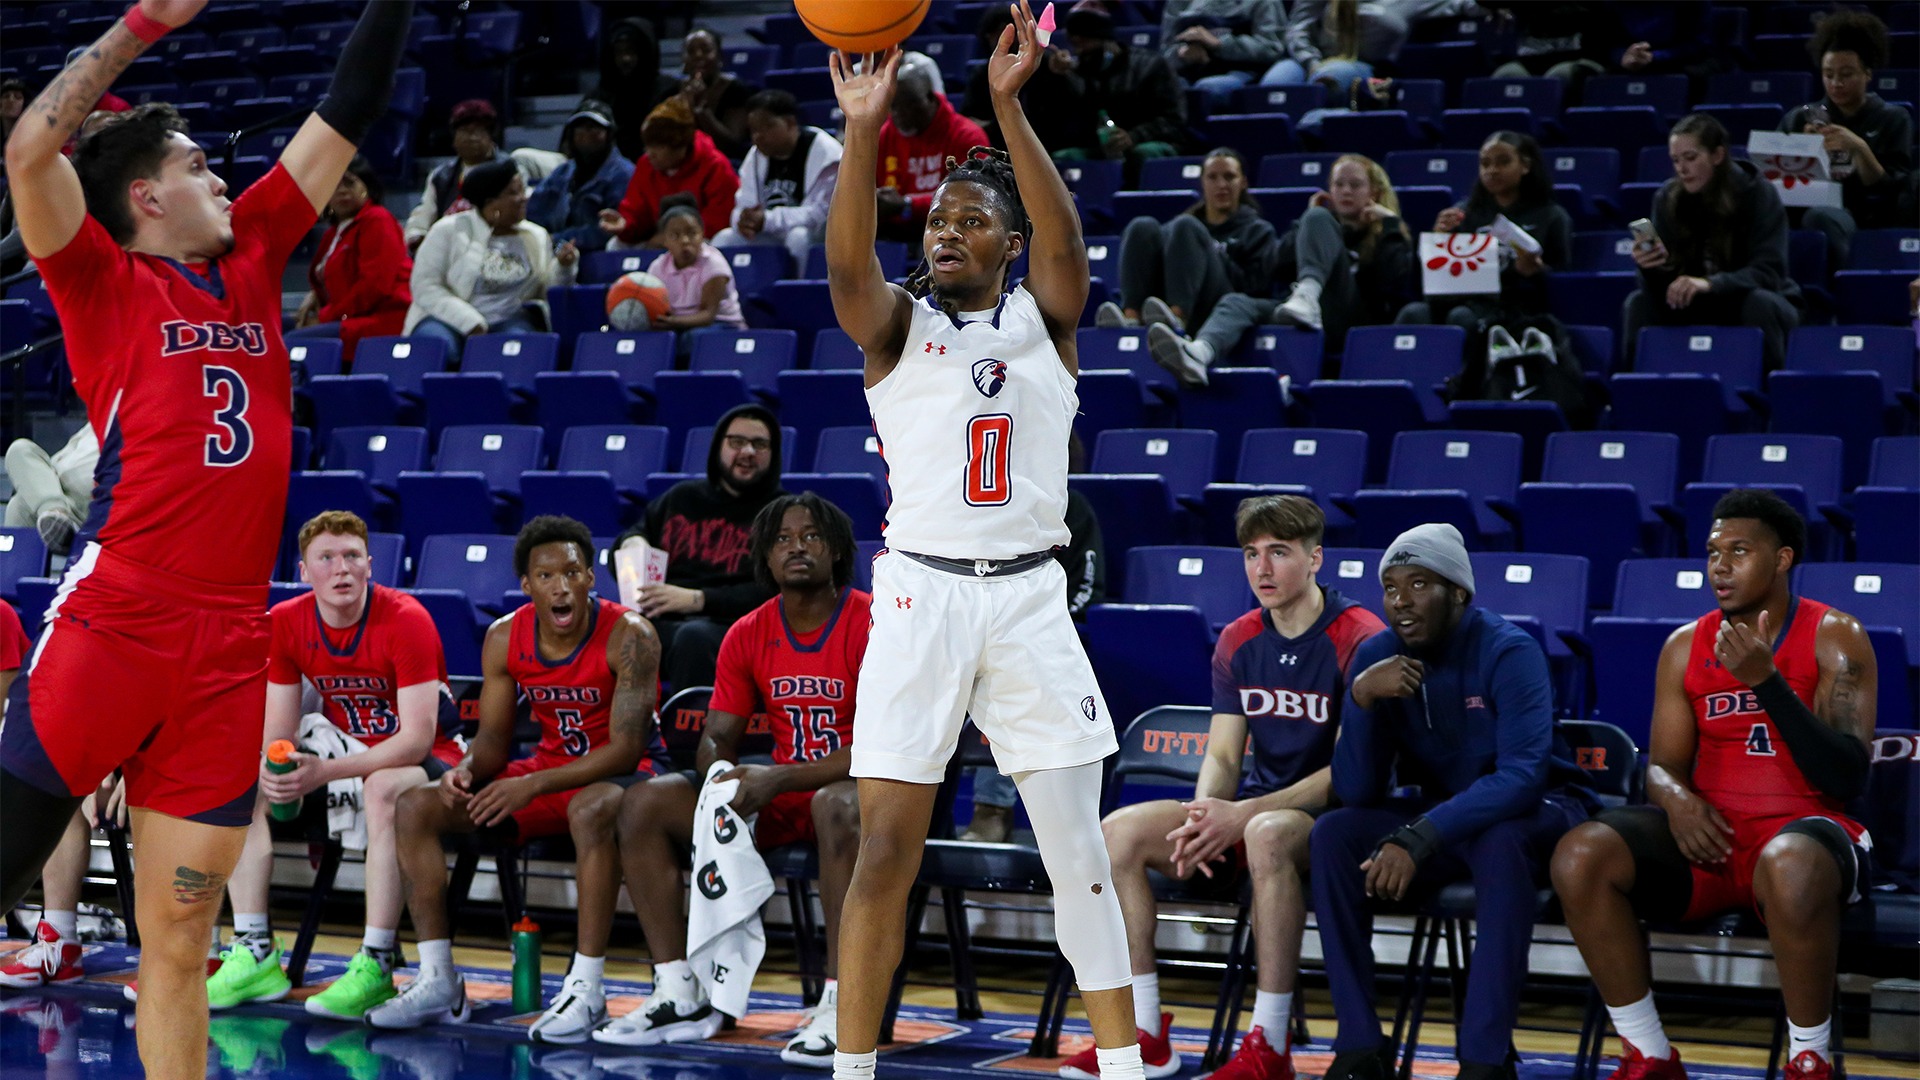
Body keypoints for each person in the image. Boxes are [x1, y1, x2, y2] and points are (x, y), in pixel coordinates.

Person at [0, 1, 412, 1076]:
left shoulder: (259, 245)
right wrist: (142, 23)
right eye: (198, 164)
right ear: (146, 195)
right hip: (117, 620)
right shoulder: (97, 280)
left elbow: (348, 103)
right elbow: (29, 148)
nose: (225, 177)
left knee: (181, 942)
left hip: (228, 649)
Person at [823, 6, 1148, 1078]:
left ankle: (1126, 1067)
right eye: (938, 222)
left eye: (971, 221)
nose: (947, 231)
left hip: (1027, 601)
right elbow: (845, 268)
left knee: (1080, 857)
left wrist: (1008, 107)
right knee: (884, 851)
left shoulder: (1043, 321)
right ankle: (853, 1069)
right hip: (921, 598)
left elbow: (1068, 244)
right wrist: (864, 130)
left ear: (1006, 246)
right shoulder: (894, 330)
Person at [1551, 490, 1876, 1080]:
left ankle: (1809, 1058)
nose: (1719, 566)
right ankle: (1648, 1053)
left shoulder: (1836, 635)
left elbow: (1847, 776)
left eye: (1739, 551)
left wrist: (1768, 684)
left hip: (1810, 838)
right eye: (1712, 552)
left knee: (1791, 864)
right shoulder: (1685, 646)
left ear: (1781, 559)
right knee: (1581, 854)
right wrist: (1677, 801)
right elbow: (1661, 765)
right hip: (1715, 841)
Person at [1063, 496, 1384, 1080]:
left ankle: (1270, 1043)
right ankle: (1144, 1030)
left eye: (1279, 553)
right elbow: (1222, 753)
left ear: (1316, 559)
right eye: (1251, 554)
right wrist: (1205, 813)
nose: (1262, 569)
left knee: (1263, 832)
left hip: (1337, 818)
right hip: (1255, 809)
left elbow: (1351, 772)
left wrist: (1241, 816)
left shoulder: (1361, 636)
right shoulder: (1238, 637)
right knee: (1120, 833)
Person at [590, 493, 869, 1066]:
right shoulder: (746, 631)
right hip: (789, 793)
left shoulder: (875, 620)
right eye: (783, 539)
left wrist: (777, 778)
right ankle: (678, 990)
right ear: (764, 558)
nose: (796, 547)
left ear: (839, 552)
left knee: (836, 805)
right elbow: (718, 735)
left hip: (867, 799)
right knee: (644, 804)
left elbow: (886, 750)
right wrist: (721, 774)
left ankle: (845, 1003)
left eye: (812, 537)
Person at [1309, 523, 1595, 1080]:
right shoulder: (1379, 655)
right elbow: (1360, 791)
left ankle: (1485, 1059)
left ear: (1458, 592)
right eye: (1390, 588)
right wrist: (1362, 699)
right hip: (1449, 818)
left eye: (1418, 584)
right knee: (1334, 834)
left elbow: (1523, 776)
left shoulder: (1509, 651)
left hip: (1539, 814)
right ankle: (1360, 1046)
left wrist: (1418, 836)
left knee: (1499, 839)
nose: (1400, 602)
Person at [367, 516, 668, 1030]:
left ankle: (587, 986)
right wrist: (463, 772)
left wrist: (530, 783)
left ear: (591, 578)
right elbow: (492, 744)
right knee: (416, 804)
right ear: (527, 586)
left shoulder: (631, 634)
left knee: (588, 806)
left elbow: (625, 750)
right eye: (546, 577)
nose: (561, 587)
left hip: (632, 776)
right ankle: (439, 979)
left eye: (572, 573)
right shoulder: (505, 638)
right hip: (552, 771)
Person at [185, 512, 468, 1019]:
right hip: (344, 747)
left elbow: (417, 739)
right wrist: (278, 768)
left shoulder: (406, 618)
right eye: (328, 558)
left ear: (370, 565)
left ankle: (376, 963)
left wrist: (322, 773)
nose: (342, 569)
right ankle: (253, 952)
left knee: (383, 787)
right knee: (236, 780)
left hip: (434, 755)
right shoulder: (287, 621)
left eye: (353, 557)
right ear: (304, 570)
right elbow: (279, 732)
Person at [1150, 153, 1411, 386]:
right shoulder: (1319, 222)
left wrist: (1389, 224)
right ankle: (1200, 353)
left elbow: (1394, 286)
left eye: (1355, 185)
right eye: (1338, 184)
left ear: (1374, 193)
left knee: (1319, 220)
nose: (1345, 191)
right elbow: (1276, 267)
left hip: (1350, 322)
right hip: (1301, 313)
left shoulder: (1387, 234)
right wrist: (1305, 222)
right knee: (1236, 302)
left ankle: (1307, 295)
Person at [963, 470, 1107, 844]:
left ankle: (991, 806)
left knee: (1014, 669)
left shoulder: (1070, 505)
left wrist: (1038, 626)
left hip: (1045, 635)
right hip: (972, 630)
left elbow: (1087, 590)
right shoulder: (971, 504)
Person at [625, 404, 786, 692]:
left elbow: (776, 589)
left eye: (759, 444)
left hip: (734, 627)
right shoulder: (681, 498)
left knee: (694, 638)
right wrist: (631, 544)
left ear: (773, 454)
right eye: (737, 441)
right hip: (665, 620)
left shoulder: (783, 512)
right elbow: (634, 537)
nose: (748, 452)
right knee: (618, 630)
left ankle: (691, 734)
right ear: (718, 447)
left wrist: (698, 599)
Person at [1624, 114, 1801, 372]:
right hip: (1698, 301)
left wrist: (1711, 283)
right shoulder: (1667, 198)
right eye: (1676, 160)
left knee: (1758, 303)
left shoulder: (1758, 193)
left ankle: (1771, 397)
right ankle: (1636, 391)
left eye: (1691, 158)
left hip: (1750, 299)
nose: (1681, 169)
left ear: (1717, 156)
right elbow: (1665, 287)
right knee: (1637, 303)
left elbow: (1769, 272)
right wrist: (1649, 268)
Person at [1394, 130, 1573, 365]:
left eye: (1503, 162)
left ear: (1525, 166)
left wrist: (1537, 272)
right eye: (1485, 164)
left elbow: (1564, 279)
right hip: (1459, 299)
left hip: (1513, 305)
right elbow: (1432, 276)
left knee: (1462, 317)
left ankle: (1460, 388)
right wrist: (1437, 239)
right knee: (1413, 313)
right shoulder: (1464, 212)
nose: (1492, 170)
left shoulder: (1551, 216)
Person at [1778, 10, 1913, 270]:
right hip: (1803, 209)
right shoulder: (1800, 118)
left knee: (1821, 217)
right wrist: (1802, 152)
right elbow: (1774, 180)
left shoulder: (1893, 118)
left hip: (1864, 214)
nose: (1836, 83)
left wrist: (1859, 147)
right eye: (1828, 74)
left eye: (1847, 74)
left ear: (1868, 74)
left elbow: (1893, 190)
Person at [404, 160, 578, 361]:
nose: (524, 198)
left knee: (516, 350)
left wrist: (564, 267)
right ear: (490, 203)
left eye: (523, 190)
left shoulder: (536, 236)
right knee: (436, 348)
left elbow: (548, 290)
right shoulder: (448, 230)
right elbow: (425, 286)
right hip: (447, 318)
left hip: (509, 319)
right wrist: (471, 322)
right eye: (514, 193)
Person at [1097, 147, 1277, 335]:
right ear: (1202, 182)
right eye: (1212, 177)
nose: (1221, 184)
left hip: (1220, 307)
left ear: (1243, 183)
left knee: (1186, 226)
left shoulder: (1258, 230)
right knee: (1142, 226)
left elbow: (1255, 290)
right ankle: (1132, 318)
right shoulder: (1182, 223)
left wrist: (1209, 253)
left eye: (1229, 177)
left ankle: (1177, 318)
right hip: (1163, 300)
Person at [286, 155, 411, 364]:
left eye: (349, 183)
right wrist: (315, 296)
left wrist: (326, 316)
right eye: (334, 186)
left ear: (367, 187)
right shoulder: (333, 233)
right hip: (348, 317)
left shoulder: (377, 220)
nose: (342, 190)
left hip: (381, 320)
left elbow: (375, 287)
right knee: (268, 330)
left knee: (291, 342)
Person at [1047, 4, 1187, 175]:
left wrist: (1134, 136)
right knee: (1064, 157)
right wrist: (1058, 79)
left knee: (1142, 153)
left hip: (1149, 142)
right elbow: (1058, 123)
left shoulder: (1151, 66)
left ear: (1107, 42)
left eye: (1086, 46)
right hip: (1100, 147)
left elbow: (1174, 119)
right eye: (1075, 46)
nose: (1080, 52)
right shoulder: (1076, 73)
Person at [714, 89, 844, 268]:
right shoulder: (755, 156)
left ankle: (796, 290)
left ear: (790, 123)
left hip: (818, 236)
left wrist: (766, 220)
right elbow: (744, 205)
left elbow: (820, 215)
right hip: (770, 233)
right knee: (724, 239)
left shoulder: (826, 152)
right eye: (753, 130)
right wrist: (743, 220)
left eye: (766, 127)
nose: (757, 136)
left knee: (798, 236)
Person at [872, 61, 991, 243]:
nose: (900, 115)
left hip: (952, 234)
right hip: (893, 234)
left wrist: (908, 205)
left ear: (930, 98)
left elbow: (973, 198)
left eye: (909, 105)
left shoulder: (967, 136)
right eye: (893, 107)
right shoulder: (884, 137)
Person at [601, 97, 739, 247]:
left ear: (680, 146)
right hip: (660, 239)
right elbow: (636, 210)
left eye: (658, 147)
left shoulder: (715, 165)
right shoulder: (646, 165)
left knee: (722, 239)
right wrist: (625, 224)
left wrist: (672, 236)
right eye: (648, 146)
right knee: (616, 244)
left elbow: (719, 220)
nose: (650, 154)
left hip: (699, 240)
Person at [527, 101, 635, 257]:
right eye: (580, 127)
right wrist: (538, 239)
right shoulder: (562, 172)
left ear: (609, 134)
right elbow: (534, 212)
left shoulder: (624, 174)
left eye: (593, 128)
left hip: (599, 257)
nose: (585, 133)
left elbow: (608, 230)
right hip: (554, 253)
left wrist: (556, 239)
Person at [404, 98, 511, 252]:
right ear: (454, 138)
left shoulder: (509, 170)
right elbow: (423, 216)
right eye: (465, 131)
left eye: (479, 131)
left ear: (491, 135)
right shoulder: (440, 176)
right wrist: (418, 237)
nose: (472, 137)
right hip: (447, 247)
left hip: (494, 245)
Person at [647, 202, 748, 350]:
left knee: (691, 339)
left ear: (702, 234)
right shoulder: (657, 267)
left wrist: (674, 322)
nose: (685, 240)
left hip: (722, 324)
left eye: (692, 233)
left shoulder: (714, 263)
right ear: (665, 240)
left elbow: (708, 315)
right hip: (677, 323)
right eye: (675, 235)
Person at [1160, 0, 1288, 108]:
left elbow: (1272, 48)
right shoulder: (1178, 3)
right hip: (1187, 70)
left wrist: (1219, 45)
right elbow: (1165, 51)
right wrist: (1182, 54)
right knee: (1163, 89)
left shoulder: (1265, 2)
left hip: (1241, 71)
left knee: (1208, 89)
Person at [593, 17, 681, 162]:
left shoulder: (668, 91)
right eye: (619, 52)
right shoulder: (600, 95)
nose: (625, 59)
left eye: (631, 51)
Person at [3, 423, 97, 555]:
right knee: (19, 449)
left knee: (23, 503)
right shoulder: (95, 422)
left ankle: (54, 514)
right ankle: (54, 513)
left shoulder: (129, 422)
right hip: (61, 493)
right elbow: (63, 457)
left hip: (90, 508)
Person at [675, 28, 758, 161]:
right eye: (691, 51)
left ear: (719, 56)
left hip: (724, 162)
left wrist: (702, 112)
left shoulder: (736, 90)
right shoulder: (673, 90)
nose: (698, 55)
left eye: (706, 50)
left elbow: (732, 145)